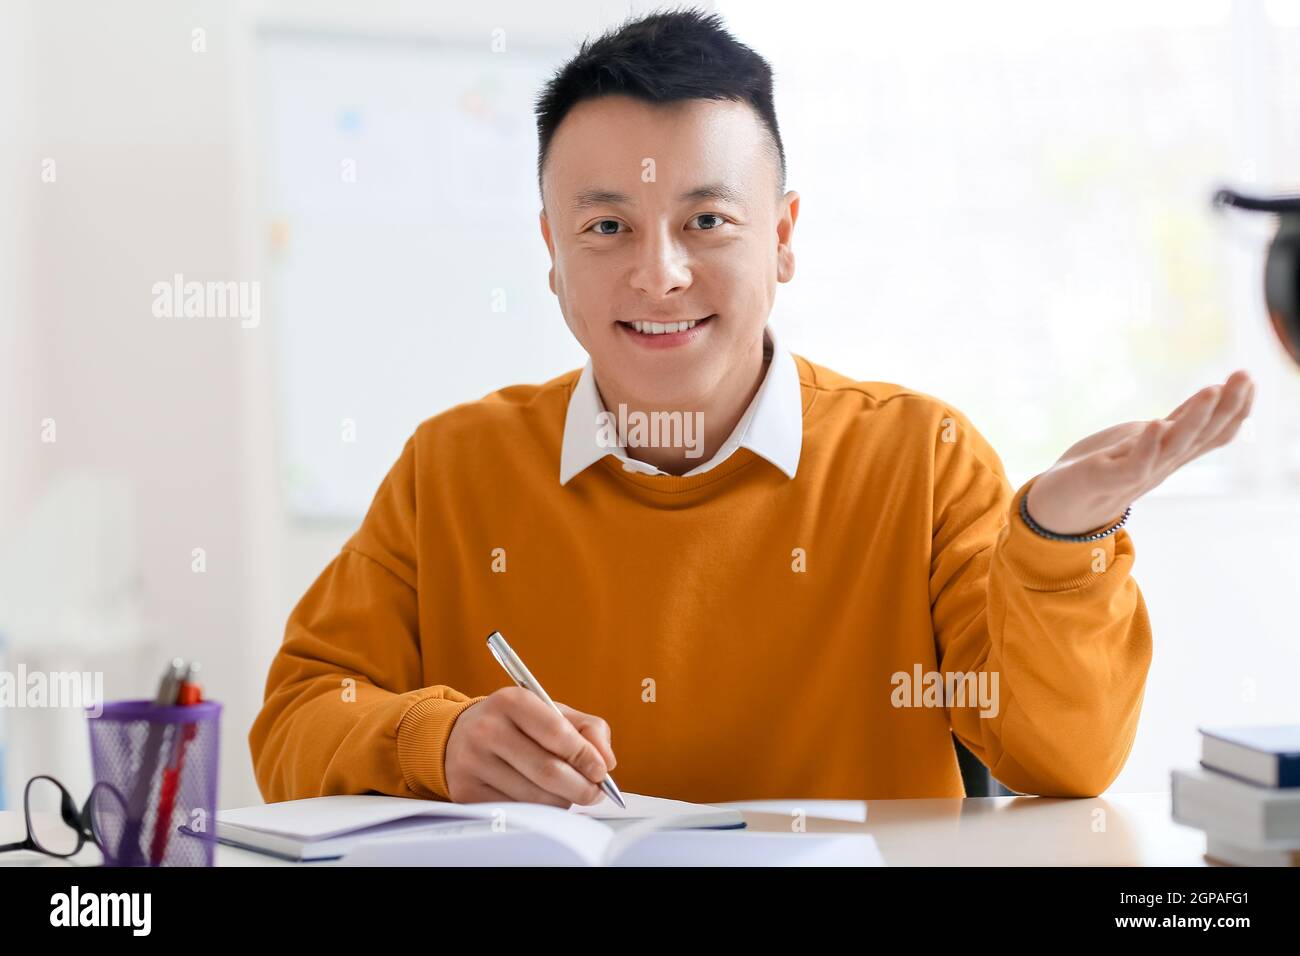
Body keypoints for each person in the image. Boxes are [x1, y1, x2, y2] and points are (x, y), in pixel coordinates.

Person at [249, 9, 1254, 807]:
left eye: (706, 219)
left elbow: (1065, 762)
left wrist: (1055, 539)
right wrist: (437, 737)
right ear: (551, 255)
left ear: (781, 237)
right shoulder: (453, 466)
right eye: (606, 225)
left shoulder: (920, 455)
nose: (659, 272)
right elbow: (294, 720)